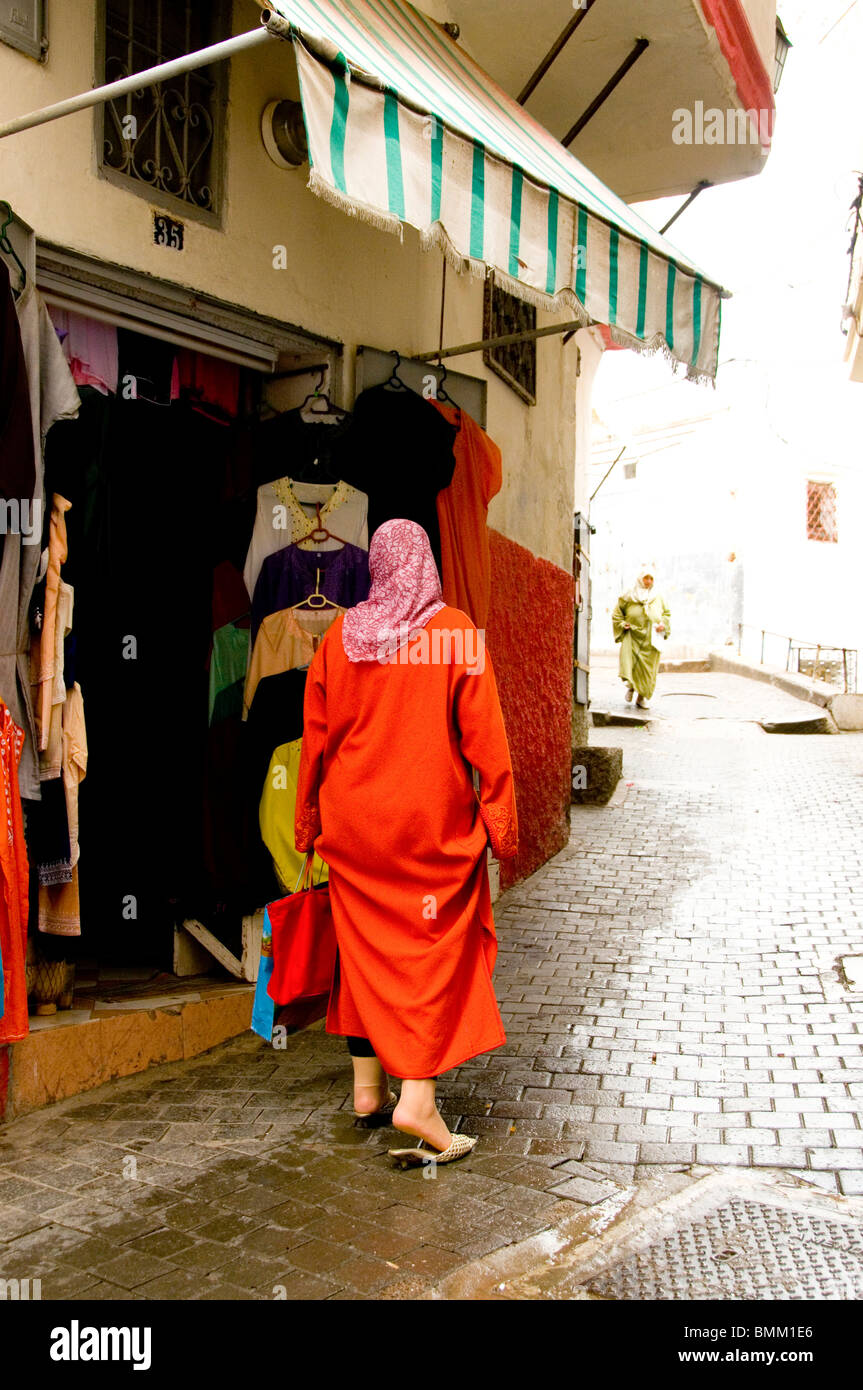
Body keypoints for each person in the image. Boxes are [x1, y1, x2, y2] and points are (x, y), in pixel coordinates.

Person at [294, 518, 517, 1167]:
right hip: (425, 829)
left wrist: (308, 822)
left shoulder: (343, 634)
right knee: (430, 955)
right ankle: (415, 1098)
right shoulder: (454, 635)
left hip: (355, 828)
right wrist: (500, 827)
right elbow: (488, 744)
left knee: (365, 949)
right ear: (426, 564)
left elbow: (316, 741)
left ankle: (366, 1091)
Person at [612, 569, 671, 709]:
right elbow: (617, 613)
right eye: (646, 578)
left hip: (651, 639)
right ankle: (631, 688)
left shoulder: (658, 596)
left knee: (648, 670)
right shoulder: (628, 595)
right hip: (633, 635)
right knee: (632, 664)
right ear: (640, 579)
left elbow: (666, 614)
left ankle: (641, 697)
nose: (648, 581)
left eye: (651, 579)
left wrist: (663, 624)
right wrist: (622, 624)